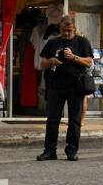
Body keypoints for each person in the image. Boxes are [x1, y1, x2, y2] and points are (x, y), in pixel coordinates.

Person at [37, 14, 94, 161]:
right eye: (63, 30)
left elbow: (89, 62)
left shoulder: (82, 42)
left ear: (74, 28)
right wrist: (51, 61)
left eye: (69, 30)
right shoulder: (52, 42)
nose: (66, 33)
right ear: (60, 29)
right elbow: (41, 63)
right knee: (52, 119)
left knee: (74, 119)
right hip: (56, 85)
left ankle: (72, 150)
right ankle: (50, 150)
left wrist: (74, 57)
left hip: (76, 86)